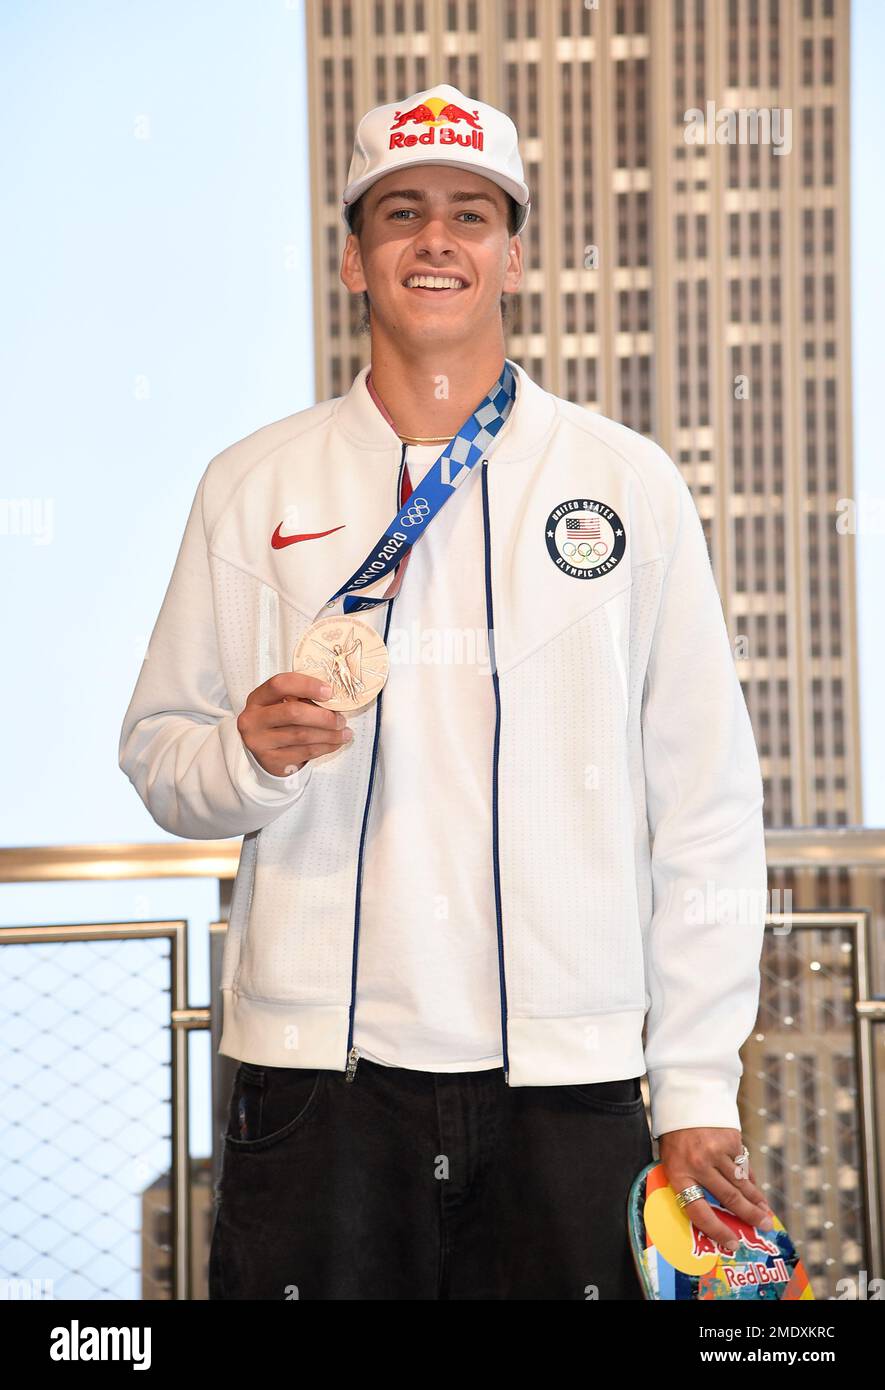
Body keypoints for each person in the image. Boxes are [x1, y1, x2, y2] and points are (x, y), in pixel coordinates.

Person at [119, 82, 773, 1300]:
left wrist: (692, 1084)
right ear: (357, 258)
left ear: (511, 256)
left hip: (572, 1091)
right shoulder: (251, 481)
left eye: (471, 215)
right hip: (317, 1091)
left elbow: (708, 806)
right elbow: (161, 756)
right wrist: (247, 755)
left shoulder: (625, 482)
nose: (437, 239)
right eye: (402, 213)